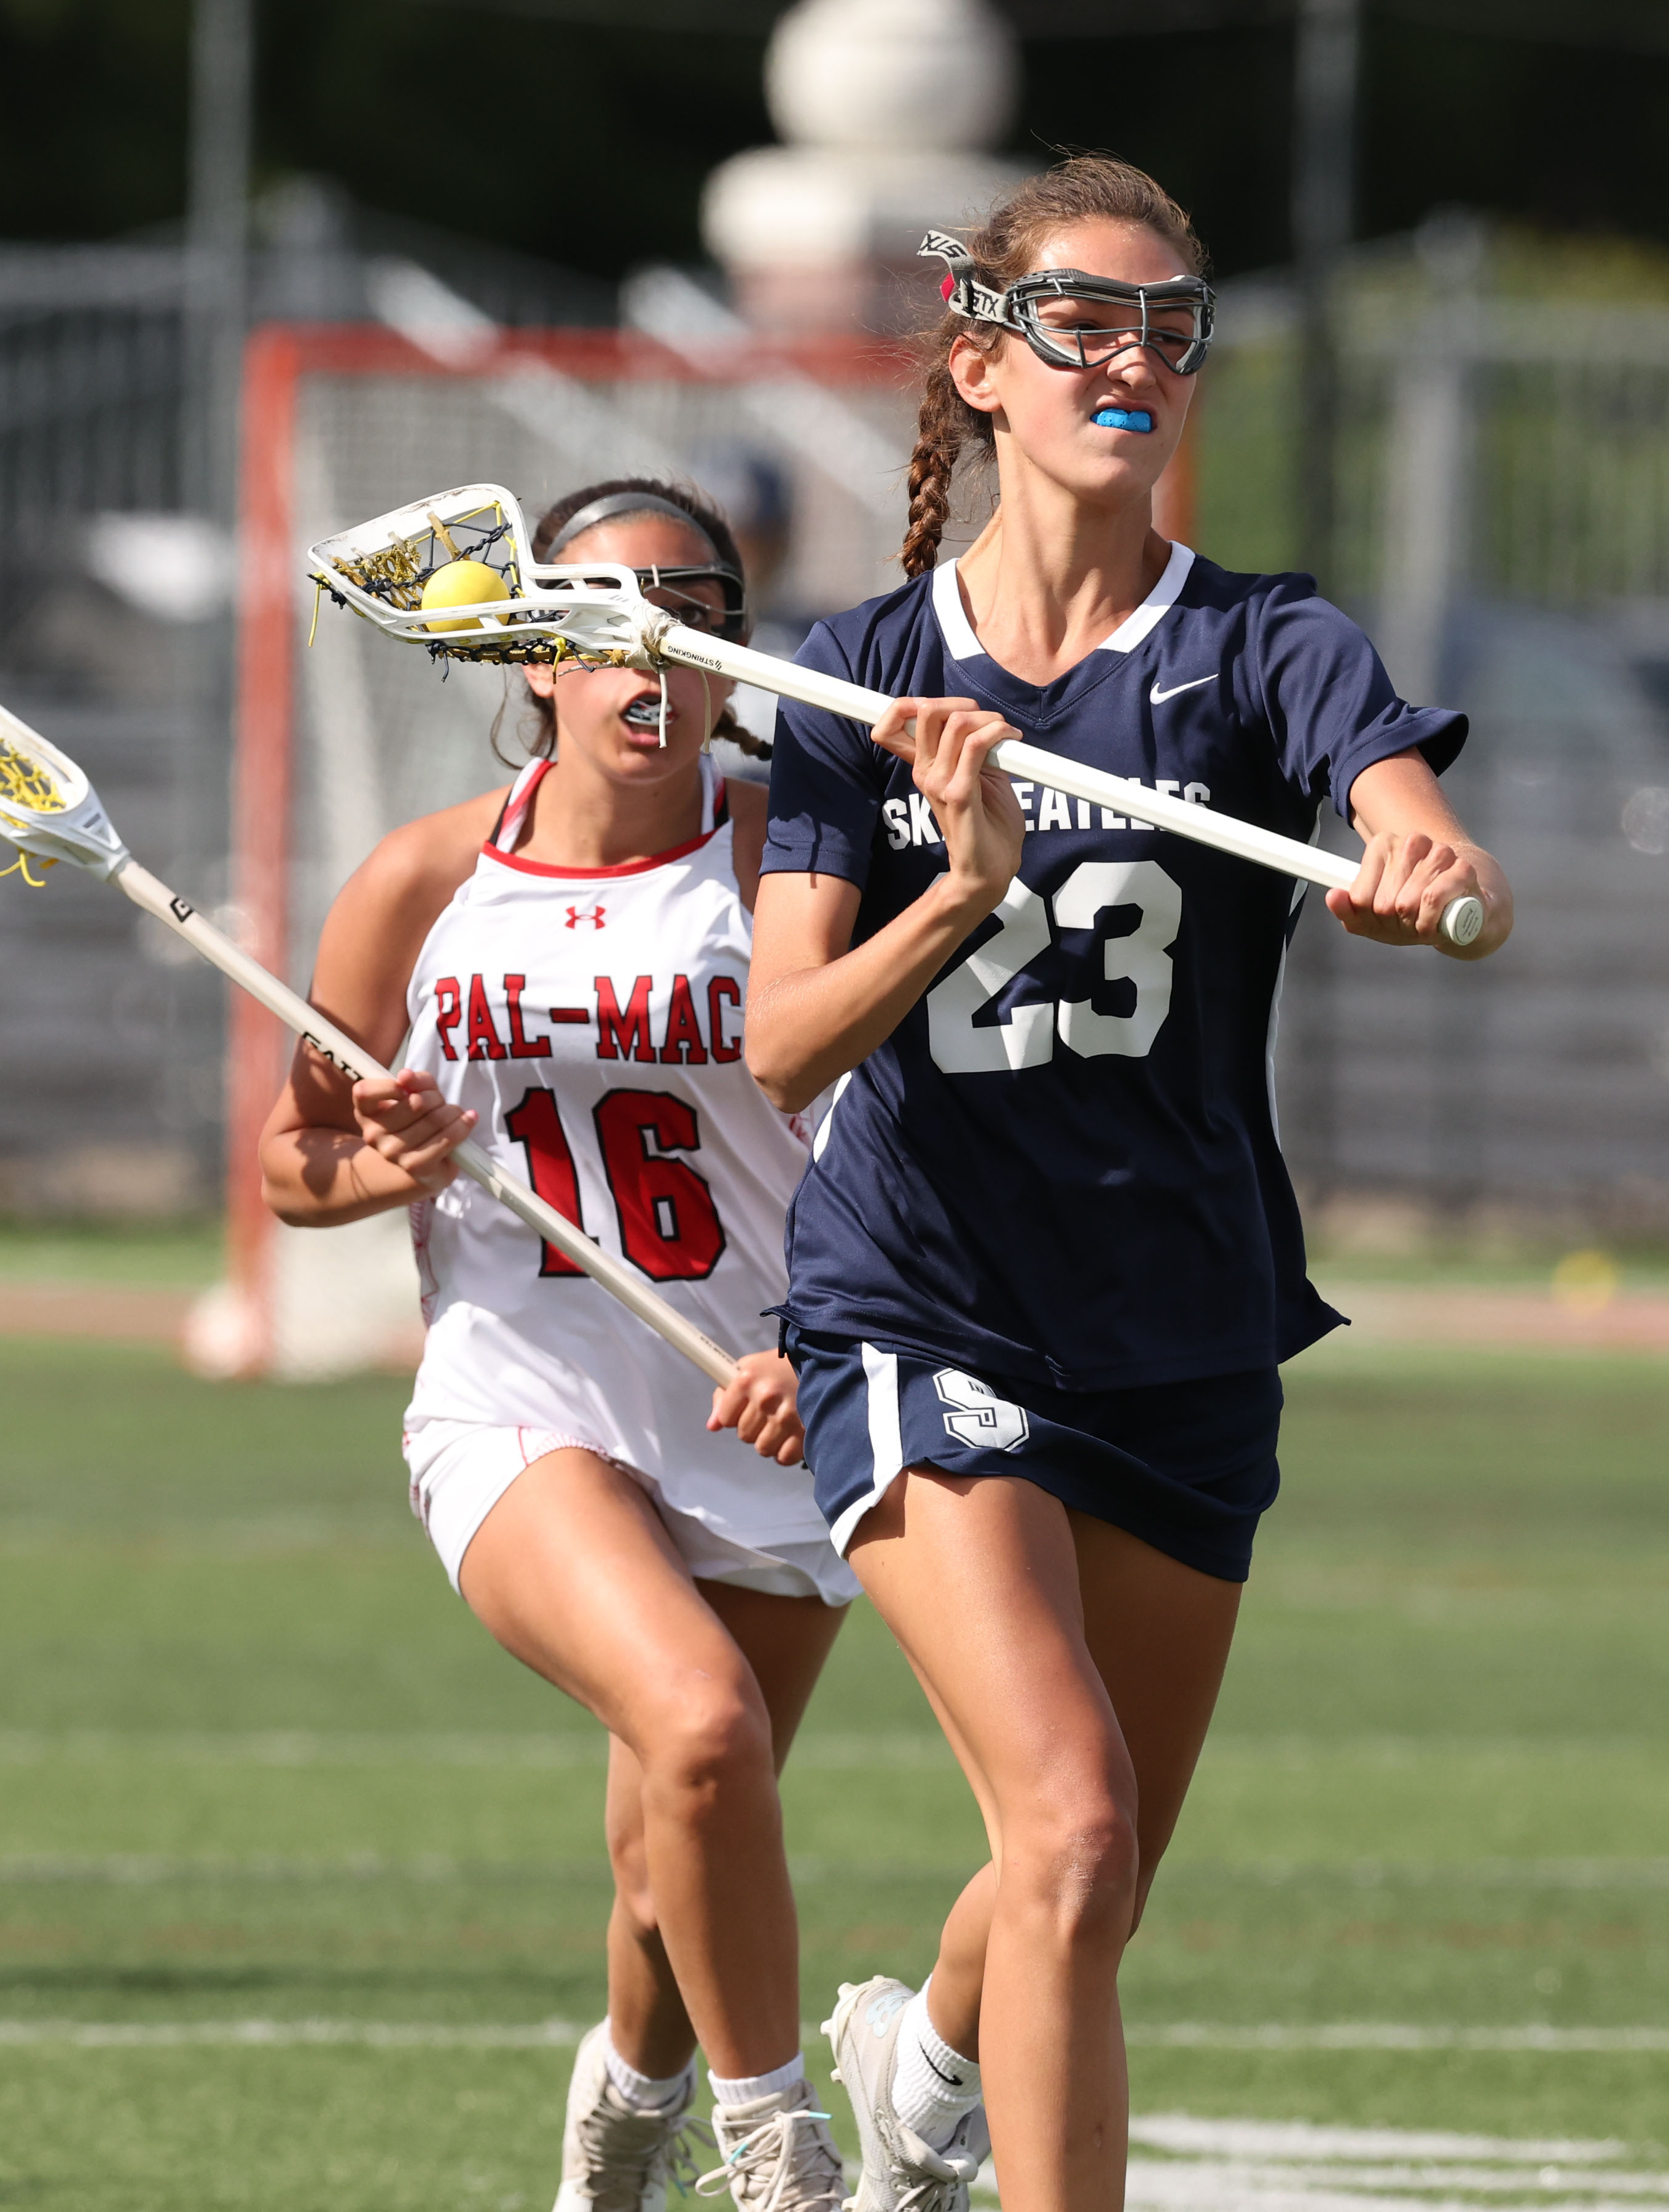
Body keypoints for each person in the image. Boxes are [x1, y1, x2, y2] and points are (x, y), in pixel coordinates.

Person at [743, 158, 1514, 2212]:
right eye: (1082, 321)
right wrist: (959, 894)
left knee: (1086, 1873)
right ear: (981, 366)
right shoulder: (856, 671)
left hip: (1178, 1326)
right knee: (1071, 1827)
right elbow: (785, 1041)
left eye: (1167, 327)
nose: (1132, 360)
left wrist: (1425, 855)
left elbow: (1410, 819)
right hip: (924, 1303)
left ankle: (920, 2061)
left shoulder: (1263, 645)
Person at [260, 478, 854, 2212]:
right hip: (522, 1391)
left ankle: (619, 2122)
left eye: (693, 609)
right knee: (696, 1726)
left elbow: (899, 1146)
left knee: (669, 1865)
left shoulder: (790, 862)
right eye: (606, 617)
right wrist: (382, 1157)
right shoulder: (425, 877)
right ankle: (782, 2154)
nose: (650, 651)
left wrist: (823, 1339)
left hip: (759, 1403)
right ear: (532, 655)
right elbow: (294, 1161)